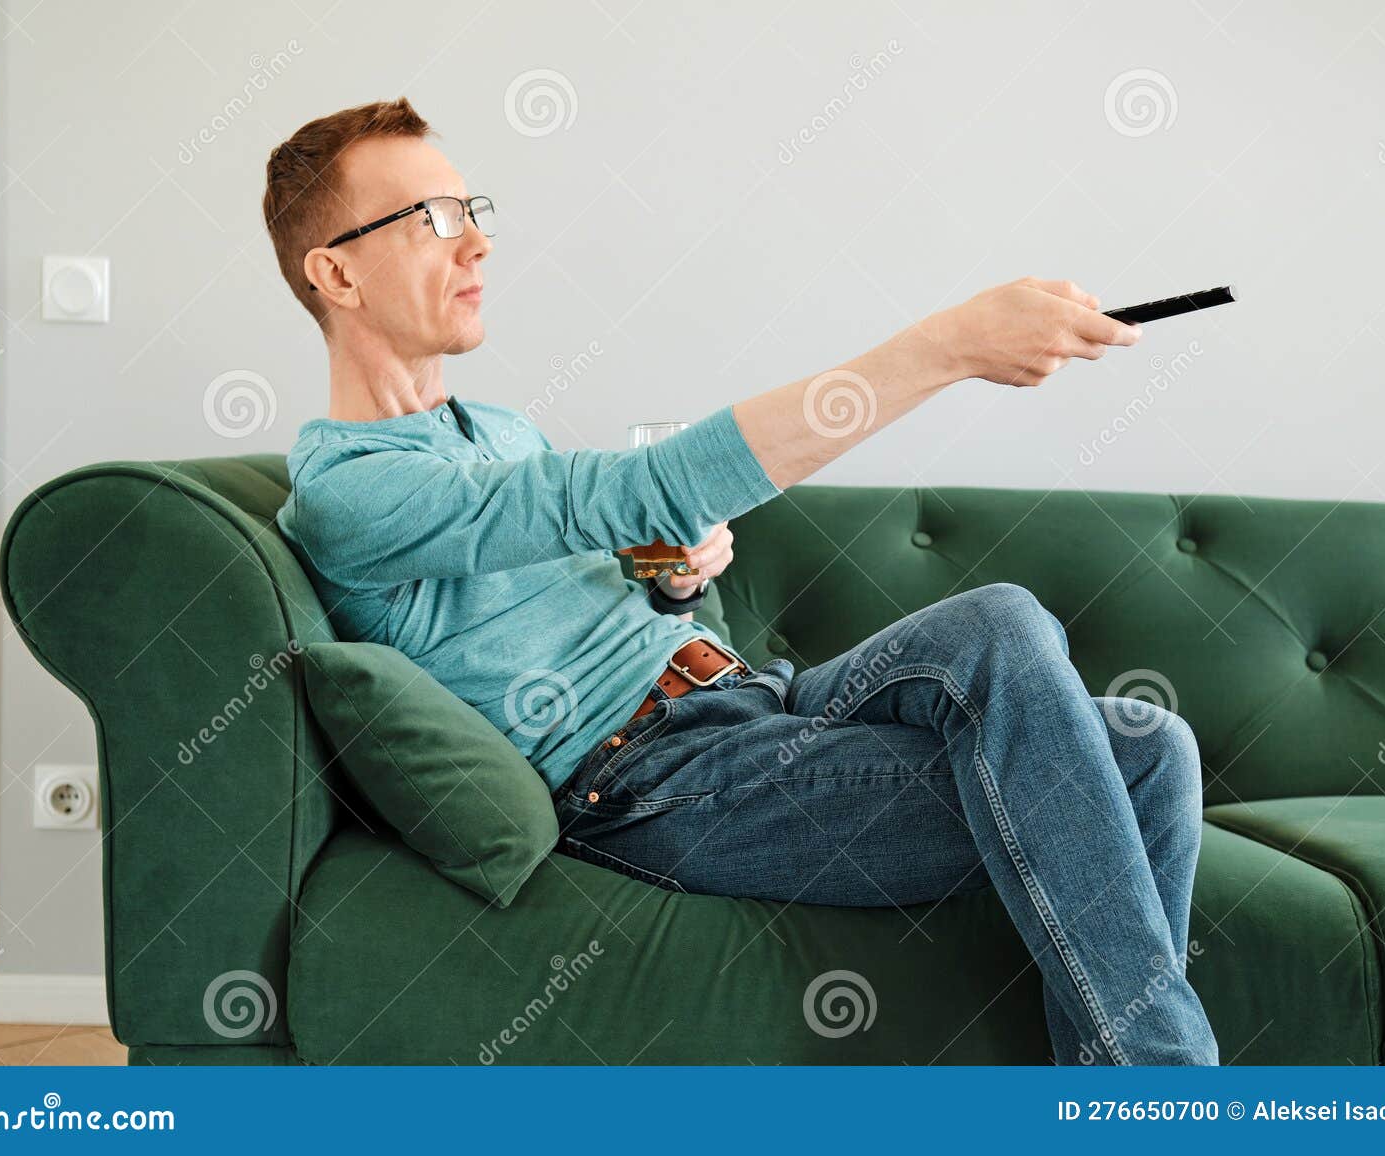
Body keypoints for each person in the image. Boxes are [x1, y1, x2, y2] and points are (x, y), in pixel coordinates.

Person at [268, 98, 1217, 1065]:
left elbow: (611, 565)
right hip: (649, 780)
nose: (475, 243)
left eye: (474, 210)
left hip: (755, 697)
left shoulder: (499, 429)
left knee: (1105, 702)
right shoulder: (351, 492)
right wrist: (950, 347)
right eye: (432, 217)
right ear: (335, 271)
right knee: (1136, 763)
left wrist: (672, 585)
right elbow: (642, 487)